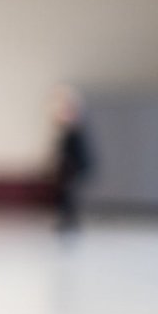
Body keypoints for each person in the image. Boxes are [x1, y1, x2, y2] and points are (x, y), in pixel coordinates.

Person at [51, 86, 95, 233]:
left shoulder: (75, 132)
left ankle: (70, 221)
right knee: (67, 195)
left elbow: (75, 154)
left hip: (75, 167)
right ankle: (69, 221)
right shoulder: (69, 132)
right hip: (70, 168)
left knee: (69, 195)